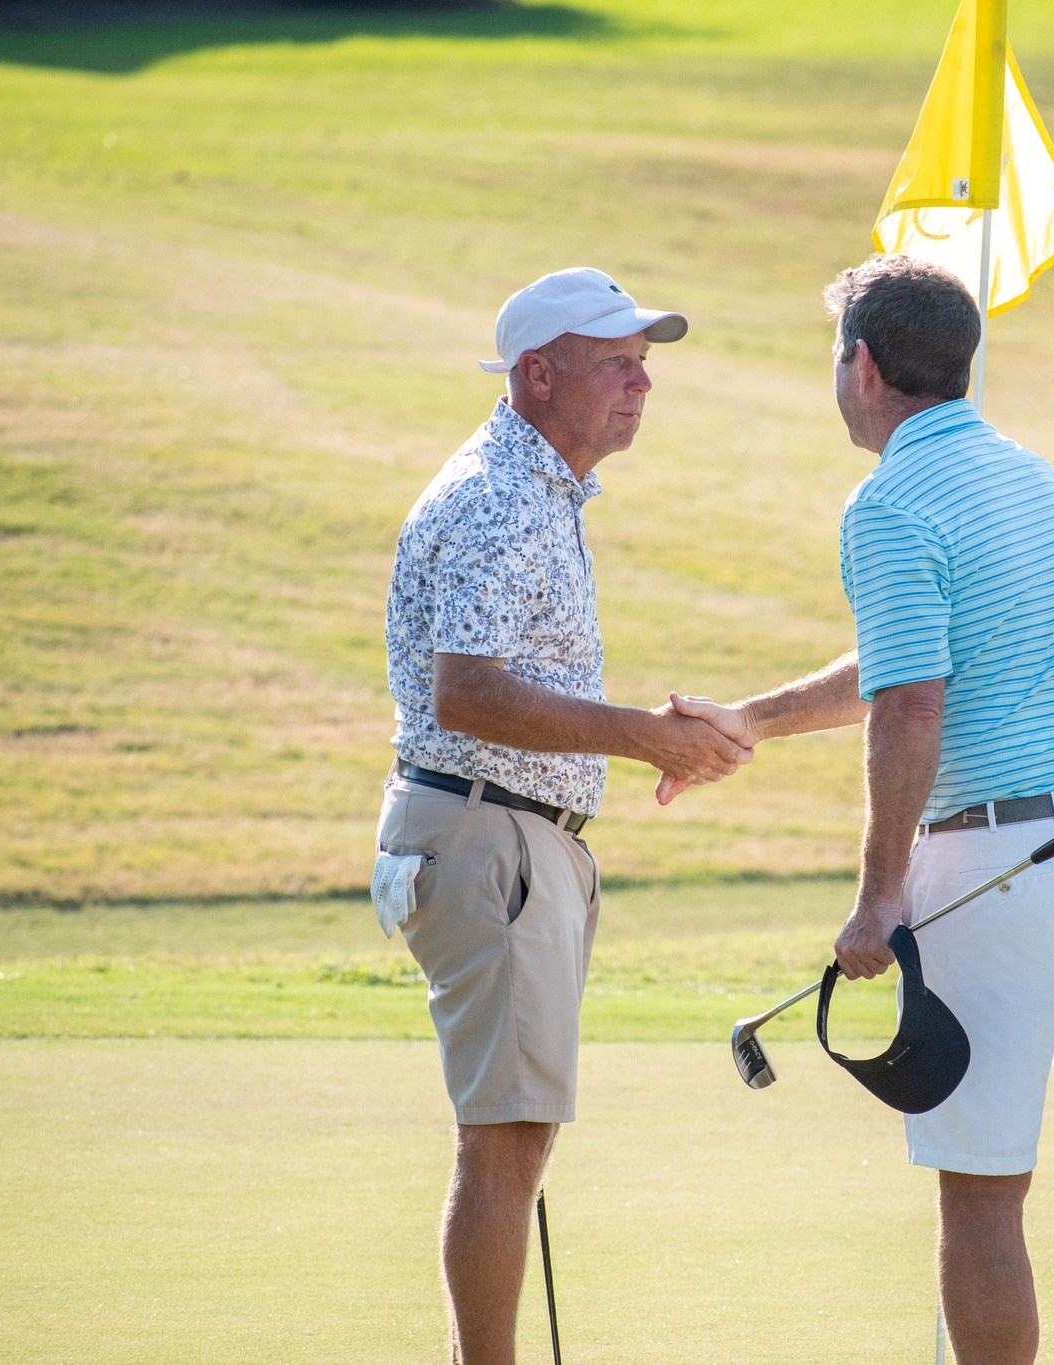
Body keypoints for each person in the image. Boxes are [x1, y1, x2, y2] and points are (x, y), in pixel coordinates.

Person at [667, 256, 1054, 1364]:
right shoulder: (1027, 471)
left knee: (981, 1186)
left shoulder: (887, 503)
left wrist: (877, 900)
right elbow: (909, 664)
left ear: (863, 365)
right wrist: (754, 720)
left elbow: (911, 707)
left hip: (1002, 868)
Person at [378, 266, 753, 1364]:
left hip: (508, 835)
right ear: (537, 375)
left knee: (514, 1136)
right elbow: (468, 693)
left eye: (643, 365)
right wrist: (643, 736)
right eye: (616, 364)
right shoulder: (499, 495)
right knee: (504, 1144)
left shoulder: (536, 489)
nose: (642, 385)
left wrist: (641, 740)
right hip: (489, 833)